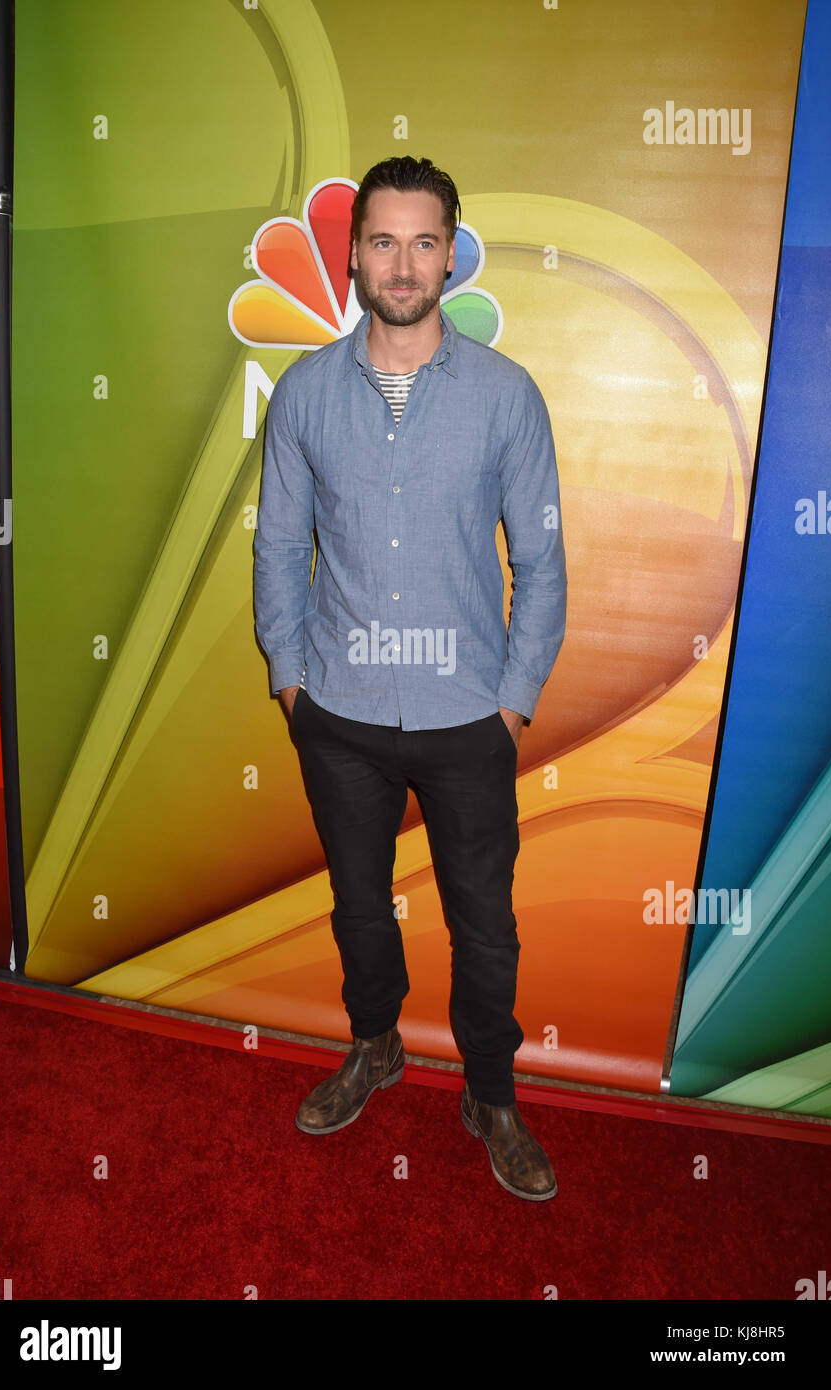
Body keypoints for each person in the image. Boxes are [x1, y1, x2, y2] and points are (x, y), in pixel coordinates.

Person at [253, 155, 567, 1201]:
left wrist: (513, 698)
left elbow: (542, 560)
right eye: (381, 240)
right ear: (353, 254)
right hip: (336, 711)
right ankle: (376, 1044)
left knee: (484, 920)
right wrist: (291, 678)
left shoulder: (506, 398)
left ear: (450, 251)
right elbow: (278, 547)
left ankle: (491, 1093)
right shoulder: (302, 394)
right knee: (357, 907)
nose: (401, 262)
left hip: (465, 712)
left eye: (422, 241)